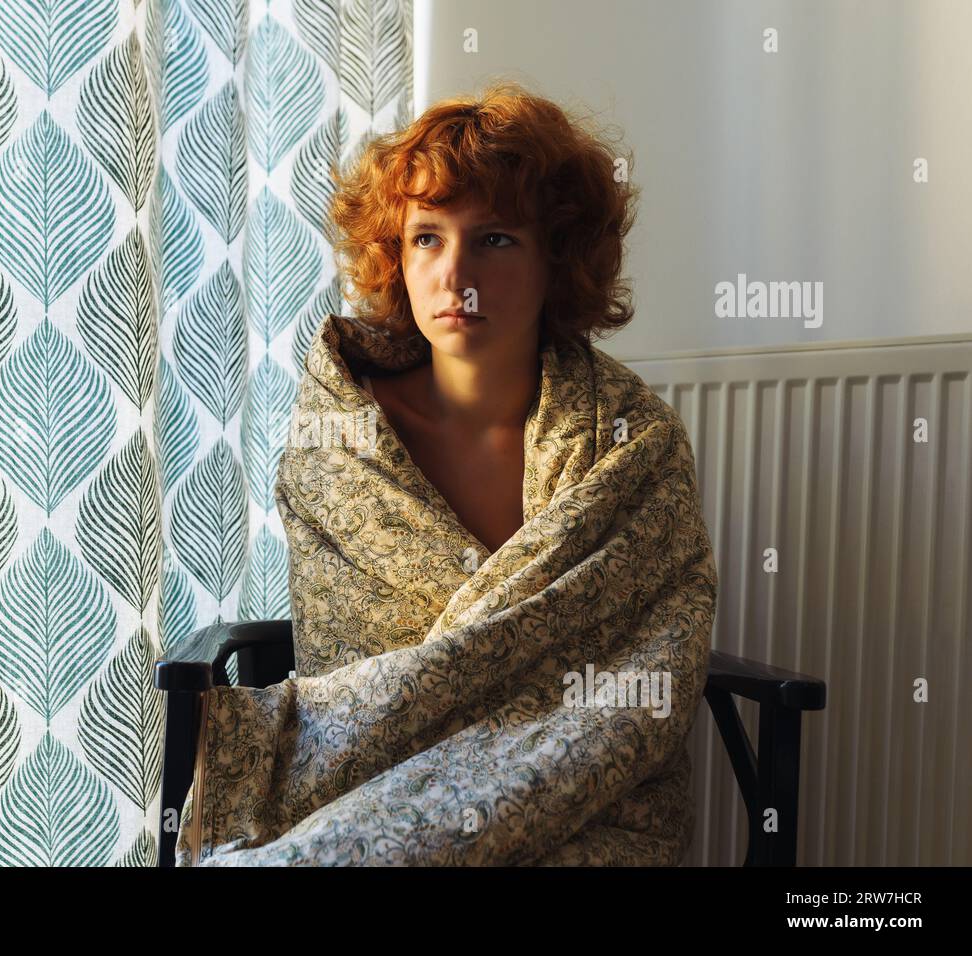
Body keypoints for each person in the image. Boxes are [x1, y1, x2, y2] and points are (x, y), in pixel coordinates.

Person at [176, 81, 717, 866]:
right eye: (427, 237)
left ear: (557, 258)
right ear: (395, 256)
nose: (455, 271)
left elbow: (652, 670)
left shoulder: (631, 446)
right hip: (361, 794)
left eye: (494, 239)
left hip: (586, 812)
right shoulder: (343, 436)